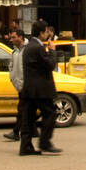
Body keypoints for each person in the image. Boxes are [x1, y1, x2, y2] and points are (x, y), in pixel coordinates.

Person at [19, 20, 61, 155]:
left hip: (29, 89)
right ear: (41, 33)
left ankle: (25, 146)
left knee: (28, 118)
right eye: (46, 31)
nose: (48, 34)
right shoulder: (38, 48)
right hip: (41, 89)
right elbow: (50, 65)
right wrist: (52, 51)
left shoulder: (28, 47)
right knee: (50, 114)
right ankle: (44, 142)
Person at [2, 29, 26, 143]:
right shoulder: (15, 52)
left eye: (14, 37)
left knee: (22, 109)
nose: (11, 40)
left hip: (28, 85)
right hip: (19, 85)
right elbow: (11, 66)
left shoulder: (28, 50)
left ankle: (16, 132)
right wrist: (13, 78)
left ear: (20, 37)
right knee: (26, 109)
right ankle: (34, 131)